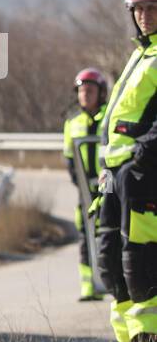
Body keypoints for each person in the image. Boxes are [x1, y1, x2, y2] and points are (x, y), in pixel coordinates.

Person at [95, 0, 157, 342]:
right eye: (138, 9)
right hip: (114, 175)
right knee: (109, 259)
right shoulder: (140, 55)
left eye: (152, 9)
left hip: (142, 174)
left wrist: (143, 155)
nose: (145, 16)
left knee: (140, 257)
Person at [64, 68, 107, 300]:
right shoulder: (72, 121)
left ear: (101, 93)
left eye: (90, 90)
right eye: (81, 91)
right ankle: (88, 286)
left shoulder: (110, 116)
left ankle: (111, 282)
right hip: (84, 189)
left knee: (109, 233)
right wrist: (79, 183)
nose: (85, 95)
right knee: (85, 234)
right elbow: (68, 155)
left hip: (108, 188)